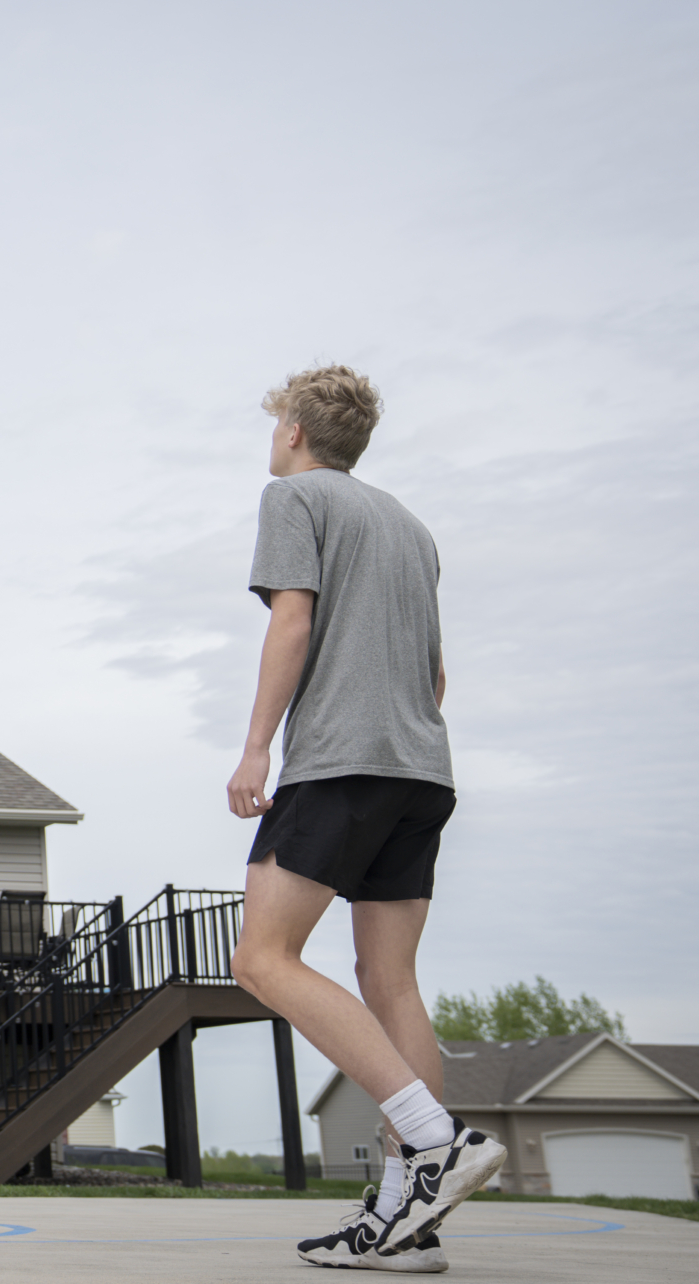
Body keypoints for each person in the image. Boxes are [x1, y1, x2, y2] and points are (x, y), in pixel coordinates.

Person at [224, 366, 505, 1272]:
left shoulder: (293, 497)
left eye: (276, 426)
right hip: (423, 770)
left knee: (261, 958)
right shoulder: (411, 528)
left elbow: (293, 623)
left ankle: (434, 1140)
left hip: (342, 762)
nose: (273, 441)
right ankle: (403, 1220)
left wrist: (258, 744)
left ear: (298, 433)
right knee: (391, 984)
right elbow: (435, 675)